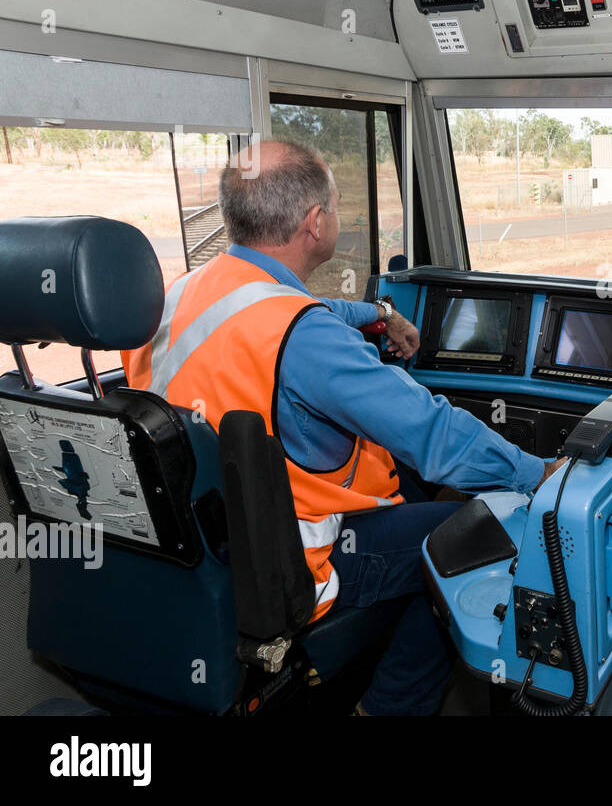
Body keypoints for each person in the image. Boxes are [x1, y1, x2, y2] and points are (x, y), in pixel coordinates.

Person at [123, 140, 565, 715]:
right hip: (299, 561)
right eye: (335, 206)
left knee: (411, 494)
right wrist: (541, 474)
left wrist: (379, 315)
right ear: (315, 223)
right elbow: (433, 435)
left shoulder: (181, 292)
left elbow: (291, 309)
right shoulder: (302, 335)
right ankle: (388, 707)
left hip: (204, 544)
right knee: (484, 531)